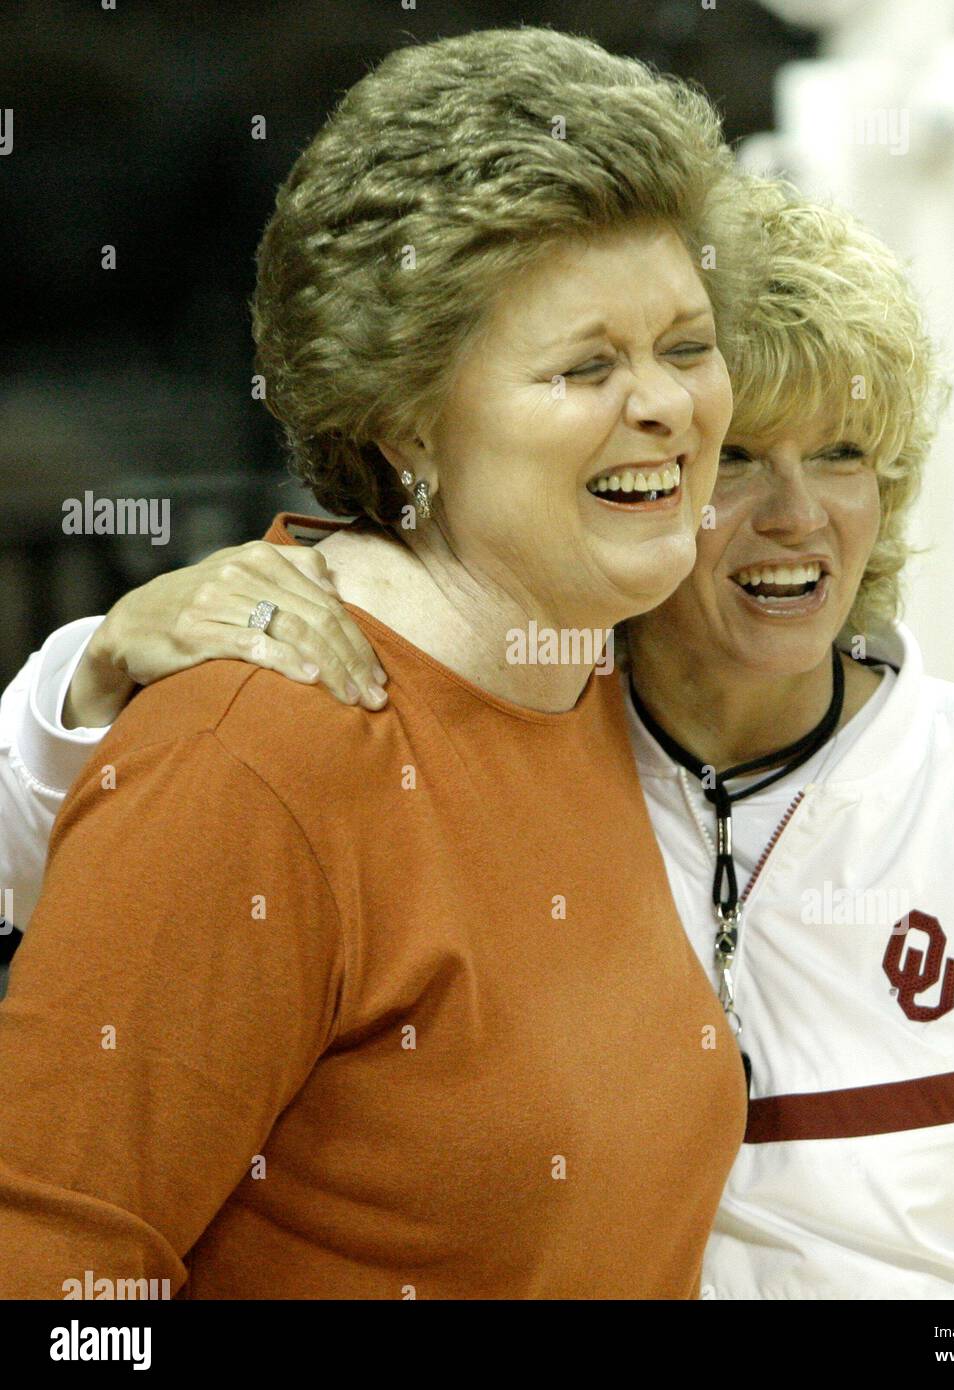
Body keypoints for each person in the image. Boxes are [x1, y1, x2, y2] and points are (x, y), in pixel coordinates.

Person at [7, 179, 954, 1299]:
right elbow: (85, 888)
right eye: (736, 459)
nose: (795, 514)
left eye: (843, 454)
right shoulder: (506, 728)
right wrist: (91, 674)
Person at [0, 27, 748, 1299]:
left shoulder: (601, 666)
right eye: (586, 366)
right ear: (408, 423)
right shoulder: (260, 750)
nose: (669, 405)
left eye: (685, 346)